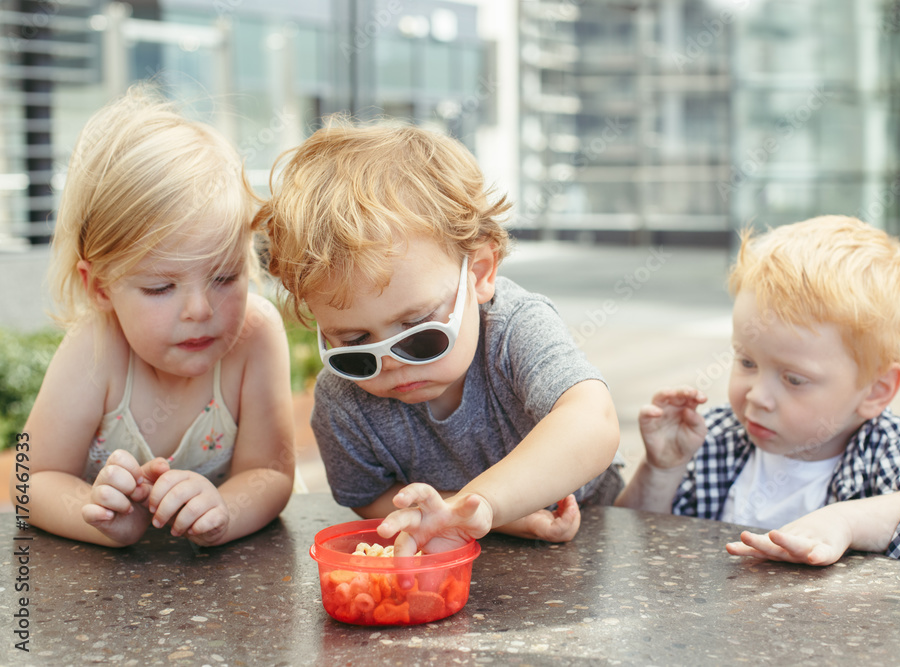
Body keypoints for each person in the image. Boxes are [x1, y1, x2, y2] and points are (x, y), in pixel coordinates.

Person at [260, 119, 622, 556]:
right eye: (355, 345)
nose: (391, 362)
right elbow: (368, 496)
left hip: (603, 528)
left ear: (480, 274)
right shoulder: (343, 400)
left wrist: (487, 503)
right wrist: (487, 518)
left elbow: (593, 421)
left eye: (419, 332)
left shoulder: (513, 328)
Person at [616, 215, 900, 568]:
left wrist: (845, 522)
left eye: (793, 380)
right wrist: (662, 470)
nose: (756, 396)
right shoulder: (718, 438)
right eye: (747, 362)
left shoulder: (886, 449)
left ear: (875, 391)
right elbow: (625, 541)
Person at [14, 86, 296, 548]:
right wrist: (105, 522)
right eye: (160, 288)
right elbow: (29, 479)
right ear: (99, 286)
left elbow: (270, 472)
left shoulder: (256, 335)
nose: (200, 310)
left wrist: (225, 511)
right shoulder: (93, 348)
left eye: (225, 277)